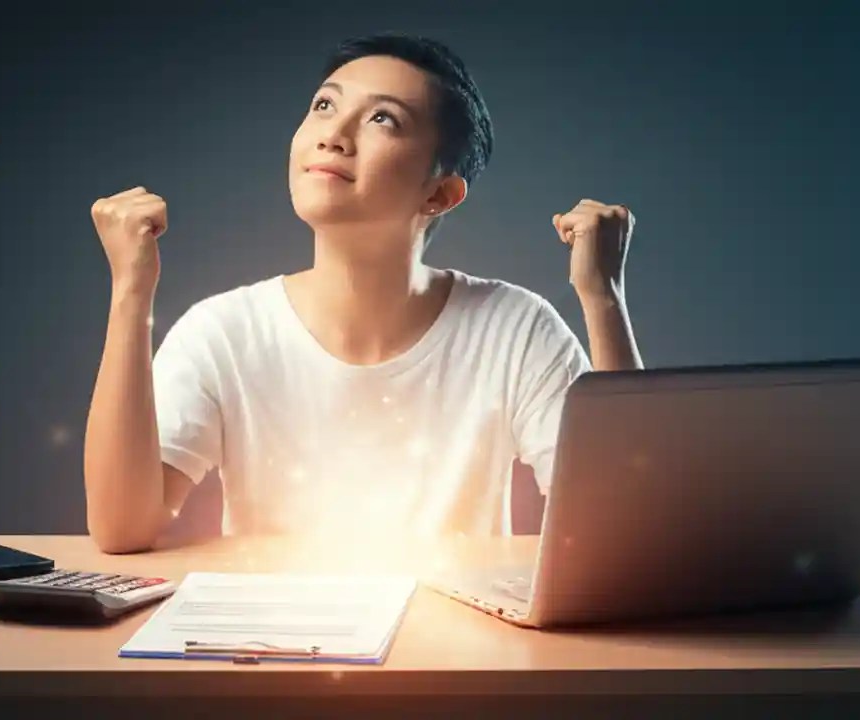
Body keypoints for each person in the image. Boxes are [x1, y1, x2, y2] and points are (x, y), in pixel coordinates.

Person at [84, 33, 643, 553]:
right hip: (274, 648)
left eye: (382, 118)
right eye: (324, 105)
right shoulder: (224, 333)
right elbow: (122, 527)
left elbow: (624, 531)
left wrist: (603, 299)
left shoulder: (514, 328)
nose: (333, 134)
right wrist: (130, 294)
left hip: (461, 651)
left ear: (441, 193)